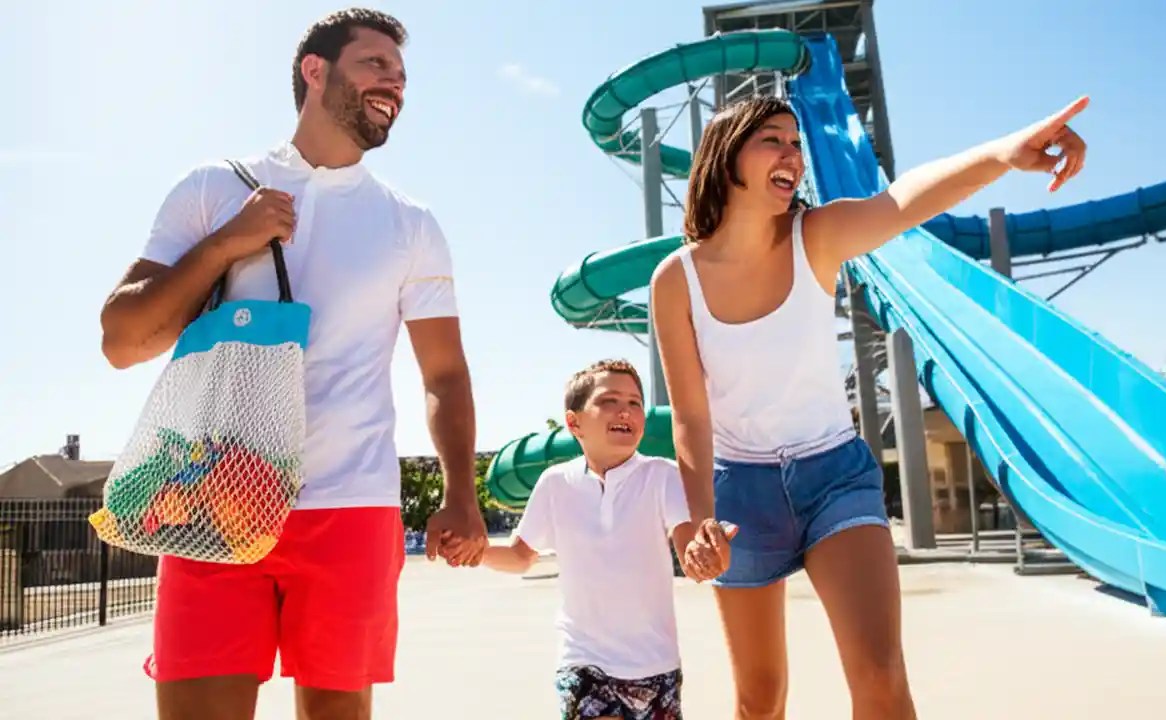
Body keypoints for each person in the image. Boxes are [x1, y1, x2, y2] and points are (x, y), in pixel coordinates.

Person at [97, 8, 488, 719]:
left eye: (402, 75)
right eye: (376, 64)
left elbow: (444, 374)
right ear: (315, 70)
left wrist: (461, 491)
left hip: (350, 506)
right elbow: (123, 340)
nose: (395, 85)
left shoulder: (410, 224)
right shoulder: (215, 188)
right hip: (209, 499)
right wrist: (225, 244)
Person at [650, 93, 1088, 719]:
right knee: (760, 700)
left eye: (796, 143)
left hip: (834, 477)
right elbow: (691, 417)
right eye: (773, 140)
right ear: (726, 157)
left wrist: (1003, 154)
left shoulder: (816, 237)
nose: (792, 155)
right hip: (740, 494)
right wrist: (701, 523)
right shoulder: (676, 279)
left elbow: (903, 199)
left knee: (881, 678)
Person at [479, 359, 733, 720]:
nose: (625, 411)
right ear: (574, 423)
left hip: (655, 665)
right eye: (609, 401)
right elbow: (520, 556)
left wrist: (708, 555)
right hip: (584, 662)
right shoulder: (555, 483)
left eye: (634, 402)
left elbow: (688, 548)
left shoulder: (662, 476)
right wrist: (476, 551)